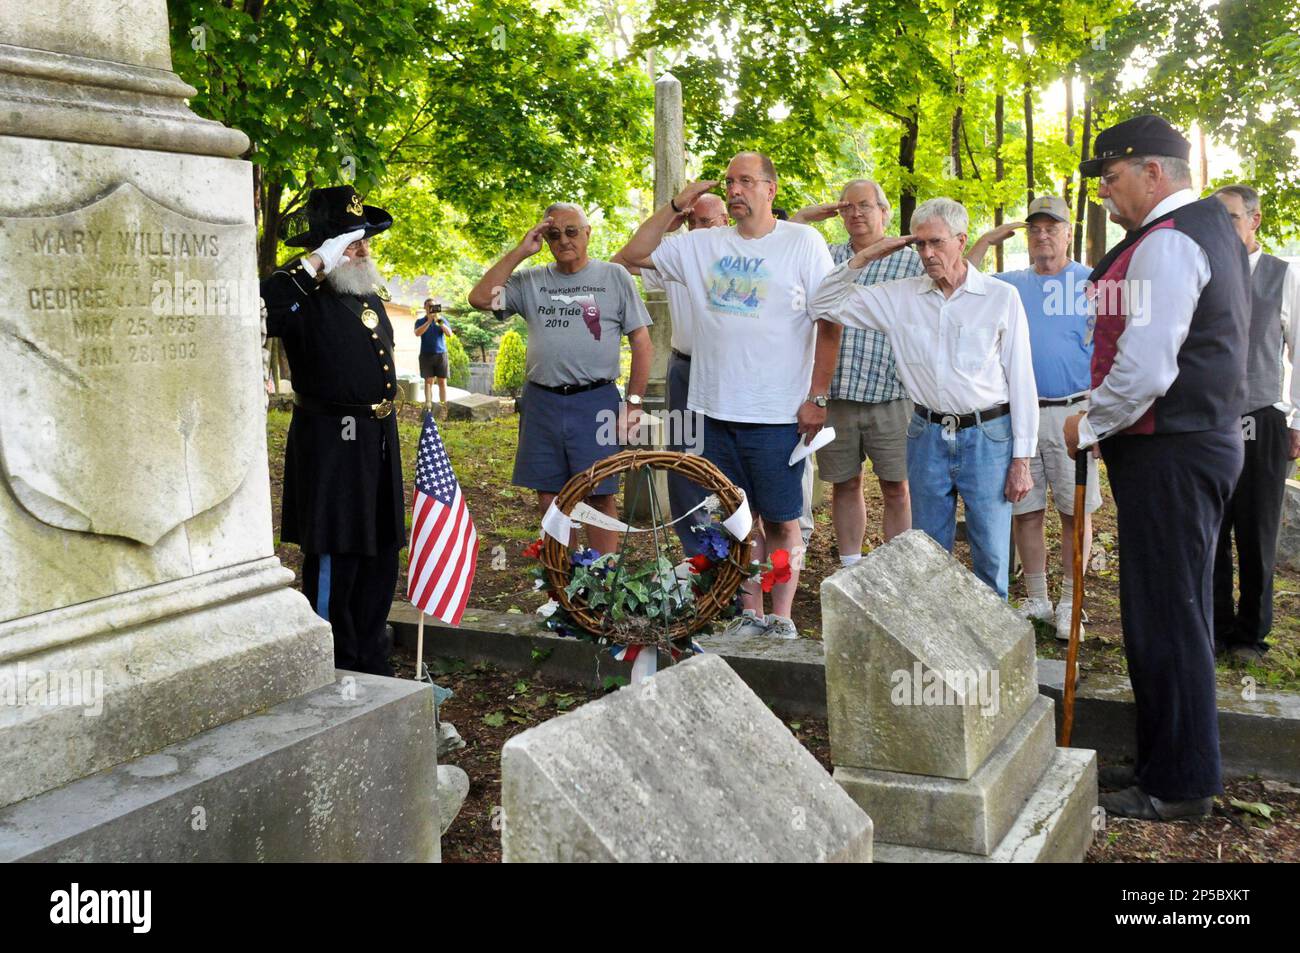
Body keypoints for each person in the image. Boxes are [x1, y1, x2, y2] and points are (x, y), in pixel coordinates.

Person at [1065, 115, 1250, 820]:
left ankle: (1177, 784)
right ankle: (1171, 762)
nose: (1104, 195)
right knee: (1174, 610)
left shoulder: (1171, 242)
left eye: (1110, 179)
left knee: (1165, 616)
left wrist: (1090, 421)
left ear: (1152, 172)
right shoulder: (1203, 228)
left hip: (1171, 448)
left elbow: (1147, 366)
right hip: (1185, 443)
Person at [616, 152, 835, 639]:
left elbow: (829, 321)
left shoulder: (803, 243)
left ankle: (781, 616)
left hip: (778, 413)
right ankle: (747, 610)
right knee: (733, 521)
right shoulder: (701, 245)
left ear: (771, 189)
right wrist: (677, 204)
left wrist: (817, 397)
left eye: (746, 182)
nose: (736, 190)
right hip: (713, 410)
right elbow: (631, 255)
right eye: (730, 182)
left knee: (781, 522)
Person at [810, 197, 1037, 597]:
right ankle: (935, 641)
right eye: (919, 245)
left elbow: (1021, 379)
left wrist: (1022, 458)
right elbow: (821, 303)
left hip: (988, 434)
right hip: (926, 433)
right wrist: (864, 258)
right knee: (928, 550)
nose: (927, 254)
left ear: (962, 240)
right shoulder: (899, 297)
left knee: (991, 550)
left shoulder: (1000, 298)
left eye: (936, 243)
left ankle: (992, 644)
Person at [260, 185, 403, 676]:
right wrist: (316, 263)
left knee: (380, 550)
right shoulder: (301, 294)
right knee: (335, 554)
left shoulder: (363, 292)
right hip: (331, 442)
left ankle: (370, 655)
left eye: (363, 240)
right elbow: (267, 307)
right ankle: (330, 661)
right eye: (350, 241)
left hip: (379, 439)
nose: (362, 250)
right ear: (326, 248)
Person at [467, 202, 652, 555]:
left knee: (598, 495)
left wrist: (634, 404)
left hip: (595, 400)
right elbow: (479, 298)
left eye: (571, 231)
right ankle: (564, 584)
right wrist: (522, 251)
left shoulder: (614, 277)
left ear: (587, 233)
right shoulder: (531, 280)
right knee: (551, 497)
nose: (564, 240)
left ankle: (600, 582)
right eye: (554, 234)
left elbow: (642, 342)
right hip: (542, 402)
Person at [967, 196, 1101, 639]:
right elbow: (962, 274)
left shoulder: (1090, 282)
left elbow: (1109, 351)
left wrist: (1099, 417)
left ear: (1068, 231)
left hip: (1073, 414)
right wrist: (988, 238)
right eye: (1034, 229)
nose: (1042, 235)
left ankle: (1070, 602)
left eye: (1052, 227)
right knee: (1026, 510)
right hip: (1020, 417)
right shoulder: (1010, 285)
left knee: (1073, 513)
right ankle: (1038, 599)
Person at [794, 180, 924, 565]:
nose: (856, 214)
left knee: (897, 485)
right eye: (847, 207)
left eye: (865, 205)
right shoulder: (827, 256)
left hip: (892, 393)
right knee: (845, 484)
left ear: (884, 211)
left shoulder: (910, 260)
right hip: (837, 396)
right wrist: (804, 217)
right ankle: (851, 565)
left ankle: (898, 567)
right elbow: (789, 241)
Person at [1210, 184, 1300, 662]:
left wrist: (1297, 418)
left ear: (1254, 220)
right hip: (1210, 420)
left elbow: (1299, 350)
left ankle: (1251, 635)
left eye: (1231, 217)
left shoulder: (1283, 276)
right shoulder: (1205, 272)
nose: (1223, 226)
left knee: (1257, 529)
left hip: (1264, 417)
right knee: (1214, 526)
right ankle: (1217, 625)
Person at [613, 194, 728, 555]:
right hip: (686, 369)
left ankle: (739, 554)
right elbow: (620, 263)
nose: (698, 229)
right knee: (685, 460)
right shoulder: (678, 253)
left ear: (726, 220)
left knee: (733, 460)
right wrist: (670, 222)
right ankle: (700, 557)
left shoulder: (739, 254)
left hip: (731, 372)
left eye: (706, 222)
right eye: (693, 222)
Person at [415, 299, 455, 409]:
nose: (431, 308)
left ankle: (443, 406)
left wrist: (438, 321)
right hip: (426, 355)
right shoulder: (420, 321)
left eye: (433, 306)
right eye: (429, 306)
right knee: (428, 382)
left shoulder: (441, 320)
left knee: (442, 381)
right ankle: (429, 406)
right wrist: (428, 321)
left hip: (441, 355)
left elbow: (449, 334)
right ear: (425, 307)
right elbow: (417, 333)